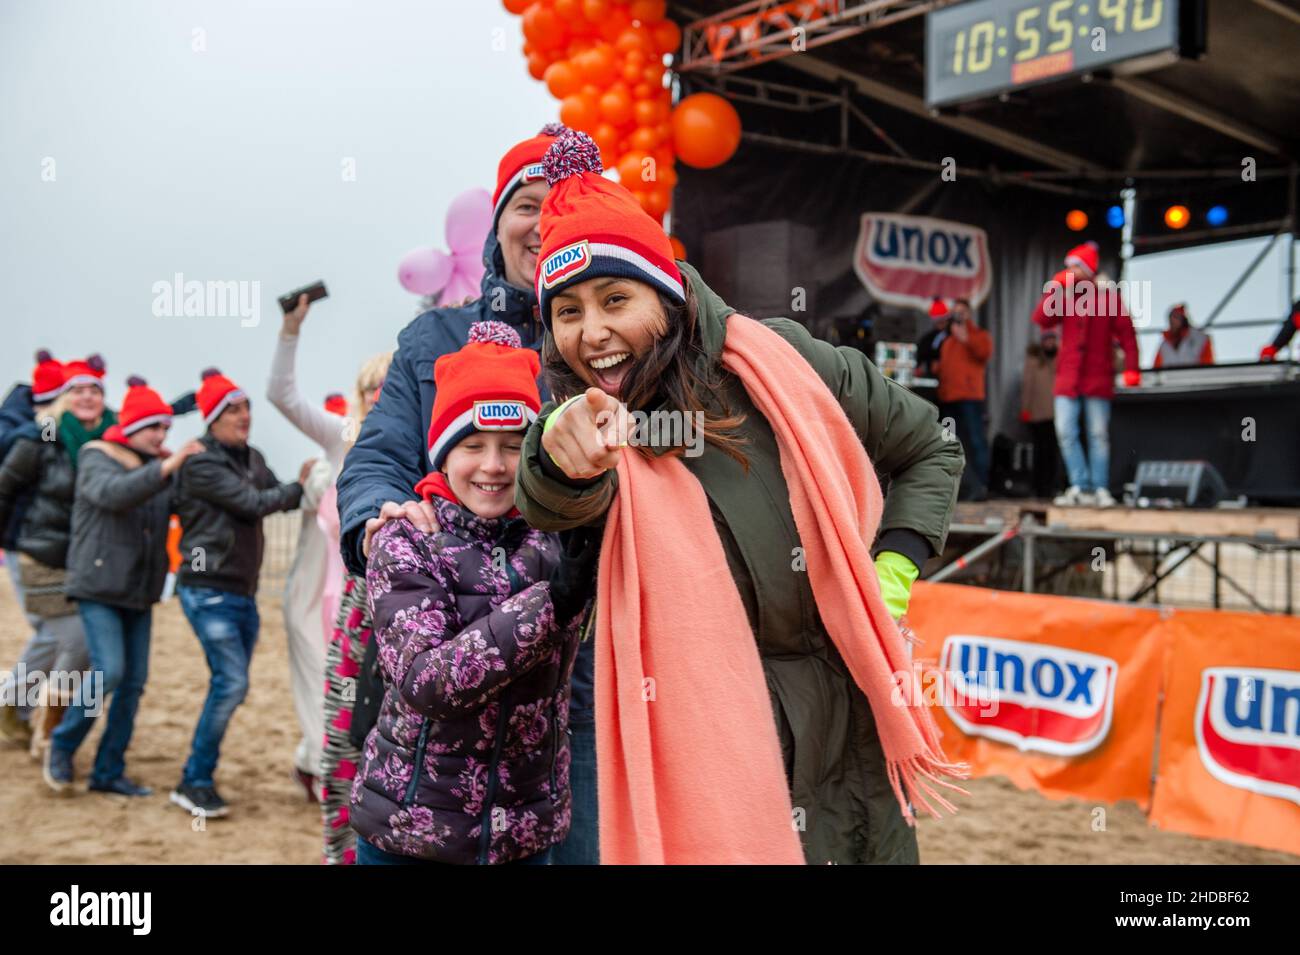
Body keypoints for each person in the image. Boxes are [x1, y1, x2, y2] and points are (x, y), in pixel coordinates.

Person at [515, 131, 966, 864]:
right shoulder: (593, 427)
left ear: (663, 293)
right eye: (567, 312)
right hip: (711, 749)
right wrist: (557, 458)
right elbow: (551, 492)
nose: (592, 332)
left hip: (844, 737)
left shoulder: (779, 362)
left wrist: (890, 577)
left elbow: (930, 447)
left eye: (615, 298)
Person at [333, 124, 600, 866]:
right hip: (451, 642)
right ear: (496, 225)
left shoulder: (613, 346)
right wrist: (381, 518)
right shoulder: (433, 341)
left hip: (577, 679)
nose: (545, 224)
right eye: (528, 205)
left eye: (567, 206)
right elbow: (375, 458)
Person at [352, 321, 594, 865]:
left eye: (513, 446)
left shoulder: (558, 535)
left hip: (526, 833)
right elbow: (425, 682)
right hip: (412, 834)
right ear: (441, 452)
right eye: (473, 445)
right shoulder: (408, 538)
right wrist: (552, 603)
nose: (493, 465)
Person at [43, 377, 205, 794]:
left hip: (140, 590)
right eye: (155, 427)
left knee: (133, 684)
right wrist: (165, 467)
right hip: (97, 586)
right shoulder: (98, 456)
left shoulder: (154, 467)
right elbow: (115, 495)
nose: (162, 435)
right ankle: (60, 745)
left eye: (167, 429)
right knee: (109, 671)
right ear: (133, 427)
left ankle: (108, 771)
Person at [170, 368, 307, 818]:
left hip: (242, 592)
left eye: (246, 406)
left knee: (230, 685)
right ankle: (193, 782)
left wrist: (293, 489)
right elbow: (255, 503)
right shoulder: (200, 462)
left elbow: (271, 493)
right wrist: (301, 486)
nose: (244, 415)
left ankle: (197, 774)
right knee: (230, 683)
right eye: (233, 409)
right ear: (211, 418)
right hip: (207, 589)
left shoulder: (252, 457)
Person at [266, 295, 370, 799]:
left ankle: (316, 765)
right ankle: (323, 771)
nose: (376, 398)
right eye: (368, 389)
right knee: (323, 687)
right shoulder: (343, 438)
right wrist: (290, 331)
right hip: (317, 595)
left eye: (386, 387)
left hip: (372, 600)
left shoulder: (417, 446)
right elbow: (282, 396)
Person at [0, 355, 112, 755]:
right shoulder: (41, 437)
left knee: (56, 635)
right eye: (77, 389)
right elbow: (6, 486)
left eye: (94, 389)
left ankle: (18, 704)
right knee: (74, 637)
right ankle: (41, 722)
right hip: (37, 552)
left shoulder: (107, 438)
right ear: (62, 398)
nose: (86, 396)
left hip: (79, 558)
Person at [1032, 241, 1139, 508]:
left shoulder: (1107, 298)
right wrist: (1055, 289)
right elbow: (1041, 319)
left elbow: (1127, 334)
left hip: (1097, 378)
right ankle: (1080, 485)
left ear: (1088, 269)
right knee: (1065, 431)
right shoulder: (1065, 296)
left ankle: (1100, 487)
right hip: (1068, 379)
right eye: (1068, 267)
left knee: (1097, 434)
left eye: (1075, 267)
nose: (1070, 271)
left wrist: (1131, 369)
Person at [0, 350, 68, 745]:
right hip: (20, 545)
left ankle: (17, 705)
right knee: (52, 629)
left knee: (58, 631)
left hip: (45, 546)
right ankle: (13, 704)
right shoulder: (22, 426)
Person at [935, 297, 992, 500]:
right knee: (949, 441)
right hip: (949, 400)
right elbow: (943, 368)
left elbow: (984, 353)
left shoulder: (979, 335)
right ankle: (954, 486)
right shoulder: (947, 341)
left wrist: (966, 338)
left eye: (962, 311)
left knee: (976, 442)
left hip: (970, 398)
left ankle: (981, 486)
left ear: (969, 314)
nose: (958, 315)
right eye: (955, 311)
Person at [1020, 330, 1063, 499]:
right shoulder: (1034, 360)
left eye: (1053, 339)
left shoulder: (1060, 358)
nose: (1050, 343)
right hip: (1038, 414)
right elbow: (1027, 386)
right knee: (1039, 453)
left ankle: (1051, 487)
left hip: (1056, 414)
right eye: (1047, 339)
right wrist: (1025, 409)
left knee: (1053, 453)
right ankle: (1037, 488)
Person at [1154, 303, 1214, 368]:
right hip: (1171, 377)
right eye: (1171, 318)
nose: (1173, 321)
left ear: (1183, 319)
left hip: (1195, 377)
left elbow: (1208, 365)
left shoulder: (1200, 338)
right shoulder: (1164, 345)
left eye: (1176, 317)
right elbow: (1156, 368)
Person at [915, 297, 950, 379]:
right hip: (931, 377)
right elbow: (921, 354)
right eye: (938, 321)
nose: (941, 323)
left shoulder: (953, 336)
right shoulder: (928, 338)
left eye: (943, 320)